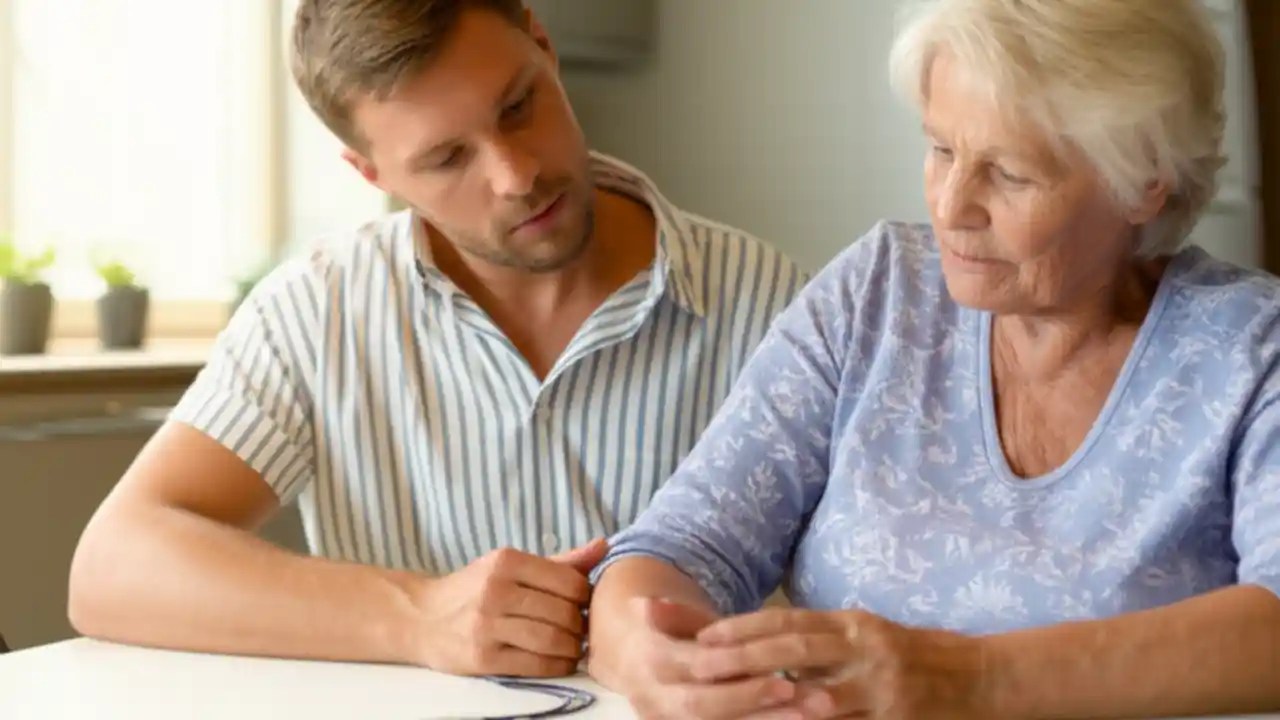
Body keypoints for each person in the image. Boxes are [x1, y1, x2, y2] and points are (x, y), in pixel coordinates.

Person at [67, 0, 806, 679]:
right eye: (449, 158)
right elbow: (110, 568)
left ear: (544, 47)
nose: (516, 176)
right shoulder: (316, 312)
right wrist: (416, 617)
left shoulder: (772, 304)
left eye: (519, 106)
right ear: (371, 172)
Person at [588, 0, 1280, 717]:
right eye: (942, 149)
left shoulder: (1252, 349)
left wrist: (968, 678)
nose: (951, 207)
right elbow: (678, 546)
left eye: (1010, 175)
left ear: (1142, 186)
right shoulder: (876, 292)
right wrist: (645, 649)